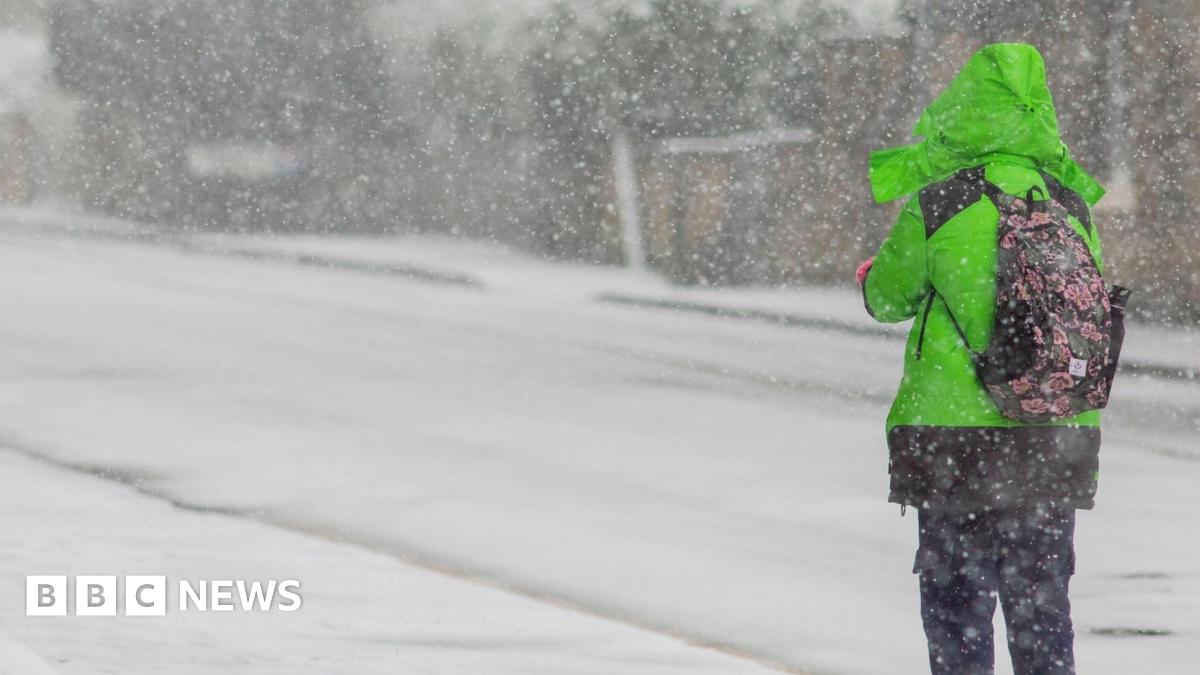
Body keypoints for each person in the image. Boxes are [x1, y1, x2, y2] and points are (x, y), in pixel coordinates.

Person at [858, 43, 1108, 675]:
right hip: (1054, 430)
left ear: (964, 111)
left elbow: (888, 300)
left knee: (957, 605)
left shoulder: (941, 202)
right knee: (1042, 604)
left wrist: (871, 276)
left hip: (954, 436)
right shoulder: (1070, 204)